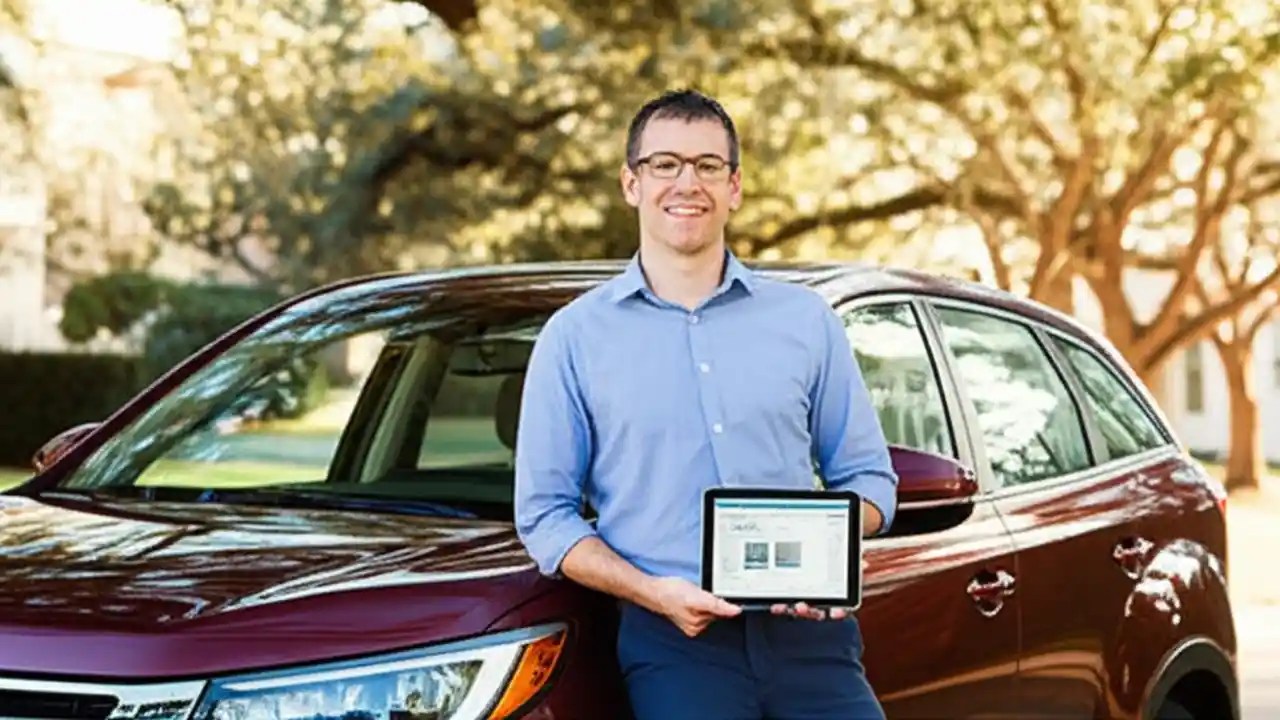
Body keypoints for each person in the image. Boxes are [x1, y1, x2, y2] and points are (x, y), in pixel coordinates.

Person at [513, 89, 898, 720]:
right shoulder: (574, 338)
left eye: (707, 165)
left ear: (735, 186)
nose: (686, 182)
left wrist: (824, 547)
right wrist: (651, 593)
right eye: (664, 164)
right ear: (631, 184)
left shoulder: (805, 321)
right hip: (675, 645)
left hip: (813, 642)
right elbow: (546, 518)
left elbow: (872, 480)